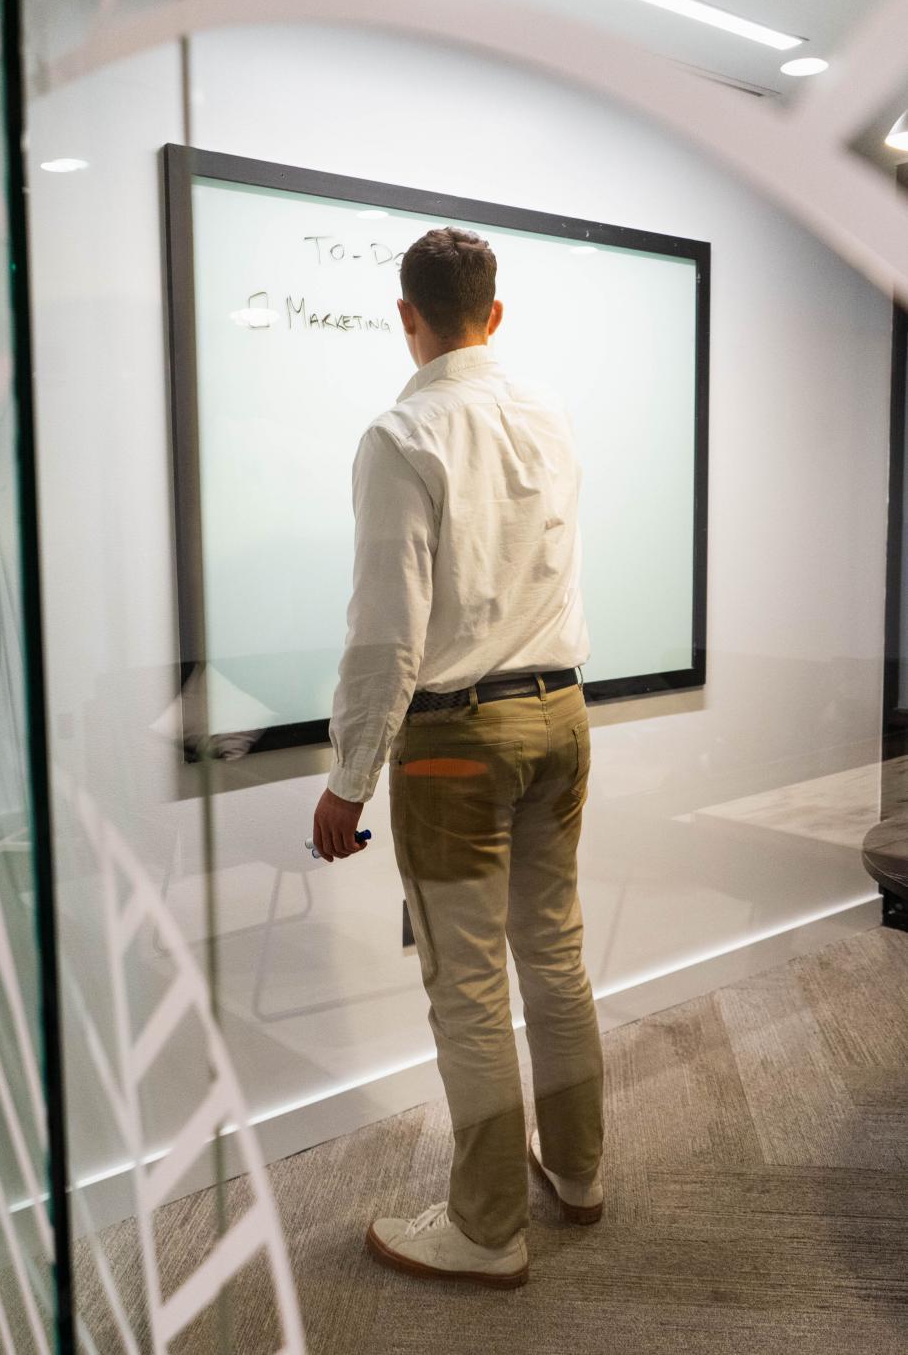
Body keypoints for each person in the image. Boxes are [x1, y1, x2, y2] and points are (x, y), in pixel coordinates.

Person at [311, 226, 604, 1289]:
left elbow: (387, 631)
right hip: (562, 717)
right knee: (554, 958)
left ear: (407, 316)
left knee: (469, 987)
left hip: (455, 745)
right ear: (495, 311)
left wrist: (348, 779)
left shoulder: (403, 434)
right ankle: (578, 1171)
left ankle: (486, 1231)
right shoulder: (547, 411)